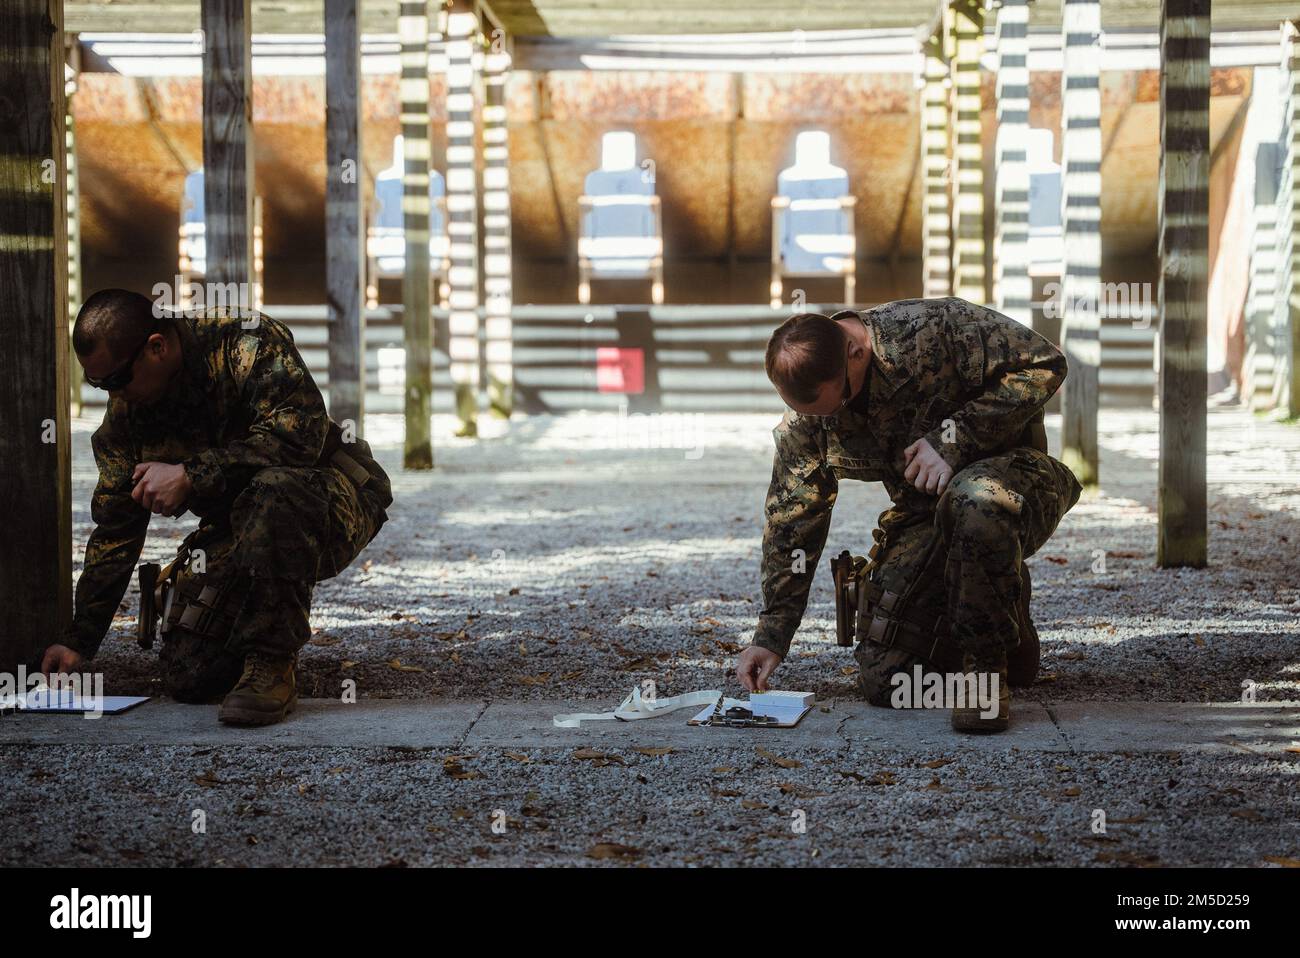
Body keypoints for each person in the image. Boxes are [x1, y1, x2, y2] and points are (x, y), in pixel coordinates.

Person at [40, 288, 392, 726]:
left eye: (115, 380)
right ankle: (250, 641)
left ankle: (272, 664)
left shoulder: (244, 340)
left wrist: (190, 474)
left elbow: (299, 438)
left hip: (335, 493)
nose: (114, 395)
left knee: (273, 491)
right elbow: (116, 529)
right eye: (98, 385)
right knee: (191, 677)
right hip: (246, 520)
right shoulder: (128, 418)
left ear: (157, 347)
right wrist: (79, 640)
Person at [734, 297, 1082, 732]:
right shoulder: (810, 420)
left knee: (973, 500)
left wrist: (952, 440)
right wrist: (771, 637)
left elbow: (1045, 364)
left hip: (1013, 485)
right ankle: (1005, 621)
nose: (829, 419)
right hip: (929, 514)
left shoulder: (933, 329)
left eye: (838, 403)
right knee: (889, 682)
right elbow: (794, 520)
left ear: (854, 352)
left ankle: (987, 673)